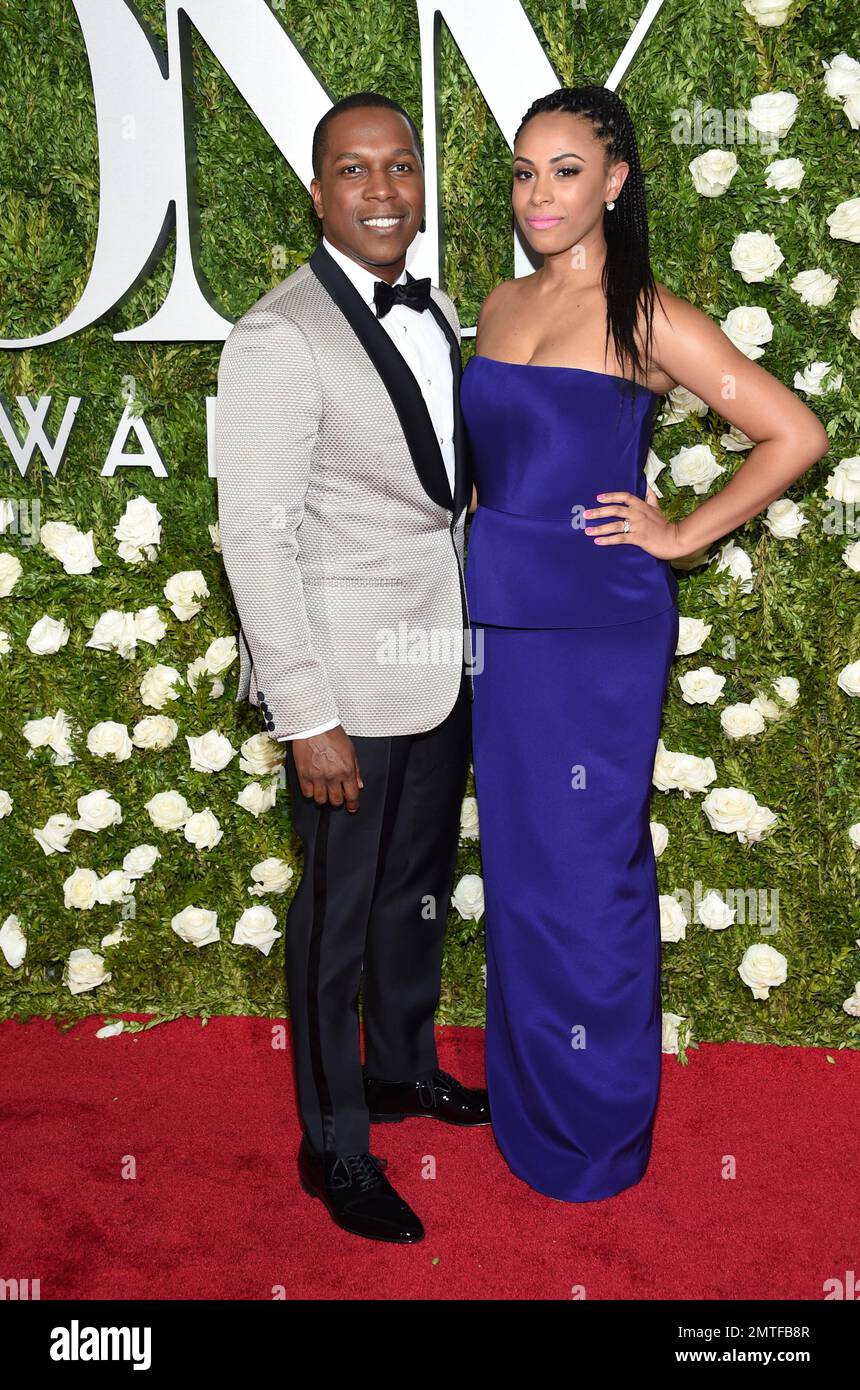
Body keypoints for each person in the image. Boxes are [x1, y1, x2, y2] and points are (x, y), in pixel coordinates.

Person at [461, 84, 829, 1203]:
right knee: (521, 875)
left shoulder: (647, 313)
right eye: (525, 171)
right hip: (502, 619)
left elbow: (791, 432)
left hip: (595, 629)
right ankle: (530, 1106)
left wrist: (677, 533)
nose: (540, 193)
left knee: (588, 873)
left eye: (565, 170)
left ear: (614, 182)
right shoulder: (497, 302)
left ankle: (598, 1130)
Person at [215, 92, 490, 1245]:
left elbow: (437, 493)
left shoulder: (436, 308)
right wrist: (305, 713)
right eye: (353, 170)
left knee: (412, 892)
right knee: (334, 919)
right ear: (317, 191)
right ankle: (334, 1145)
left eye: (399, 167)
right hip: (344, 681)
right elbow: (252, 534)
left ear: (418, 184)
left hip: (436, 655)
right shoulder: (278, 333)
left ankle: (400, 1066)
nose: (381, 190)